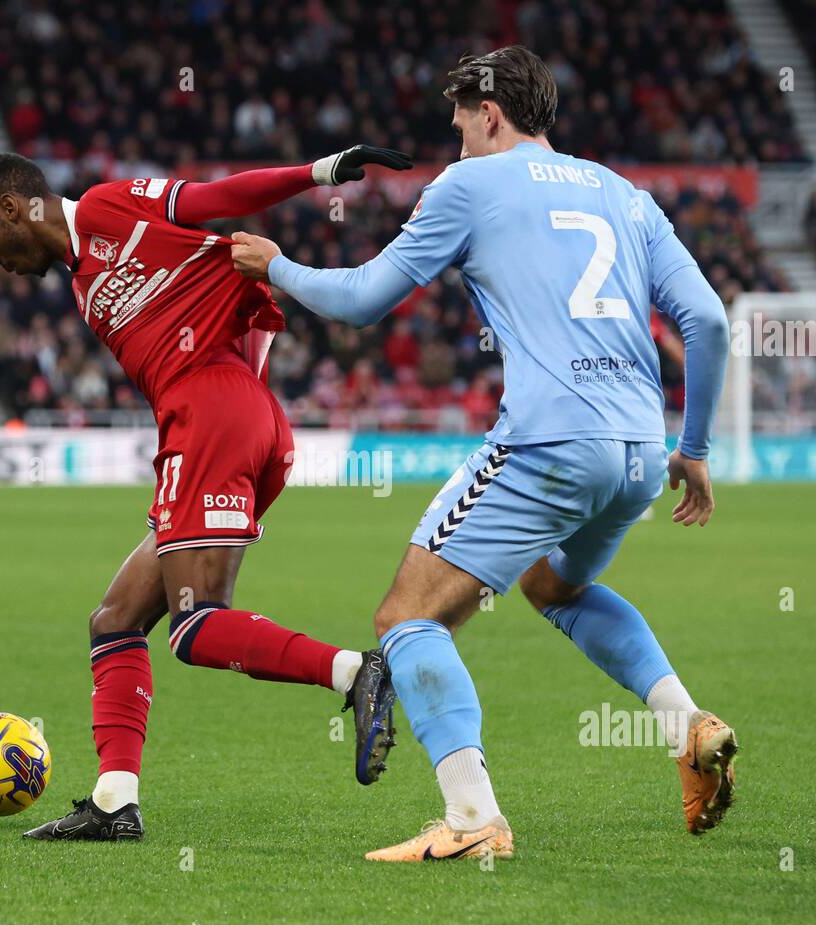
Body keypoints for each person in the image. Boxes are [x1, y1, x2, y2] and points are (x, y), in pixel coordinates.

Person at [232, 46, 738, 862]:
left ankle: (473, 821)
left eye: (460, 122)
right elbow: (709, 321)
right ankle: (688, 726)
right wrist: (696, 447)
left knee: (404, 617)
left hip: (549, 441)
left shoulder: (468, 185)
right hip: (641, 448)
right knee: (556, 585)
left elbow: (364, 301)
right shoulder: (625, 194)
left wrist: (277, 266)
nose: (457, 139)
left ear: (491, 115)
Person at [0, 145, 412, 841]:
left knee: (196, 624)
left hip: (214, 416)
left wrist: (319, 172)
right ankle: (114, 804)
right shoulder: (83, 285)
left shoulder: (111, 207)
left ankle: (355, 673)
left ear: (16, 210)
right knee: (114, 620)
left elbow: (218, 197)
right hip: (222, 421)